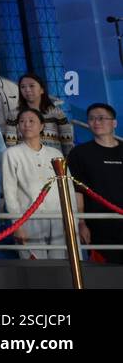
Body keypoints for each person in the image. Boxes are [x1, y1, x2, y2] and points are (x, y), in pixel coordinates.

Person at [2, 108, 65, 259]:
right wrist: (17, 225)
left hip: (58, 218)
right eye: (22, 121)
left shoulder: (55, 154)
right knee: (35, 266)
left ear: (42, 126)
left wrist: (73, 220)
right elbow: (9, 192)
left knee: (61, 265)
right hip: (28, 218)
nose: (26, 125)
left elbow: (67, 188)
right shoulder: (11, 154)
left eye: (31, 121)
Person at [68, 103, 123, 264]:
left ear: (114, 123)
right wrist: (81, 222)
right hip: (98, 223)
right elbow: (77, 191)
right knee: (105, 274)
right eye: (91, 119)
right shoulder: (79, 153)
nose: (96, 122)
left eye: (101, 118)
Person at [3, 74, 74, 156]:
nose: (27, 90)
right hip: (25, 161)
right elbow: (10, 145)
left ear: (42, 90)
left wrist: (67, 162)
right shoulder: (13, 114)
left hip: (54, 161)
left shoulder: (57, 113)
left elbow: (67, 142)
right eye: (23, 87)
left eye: (31, 86)